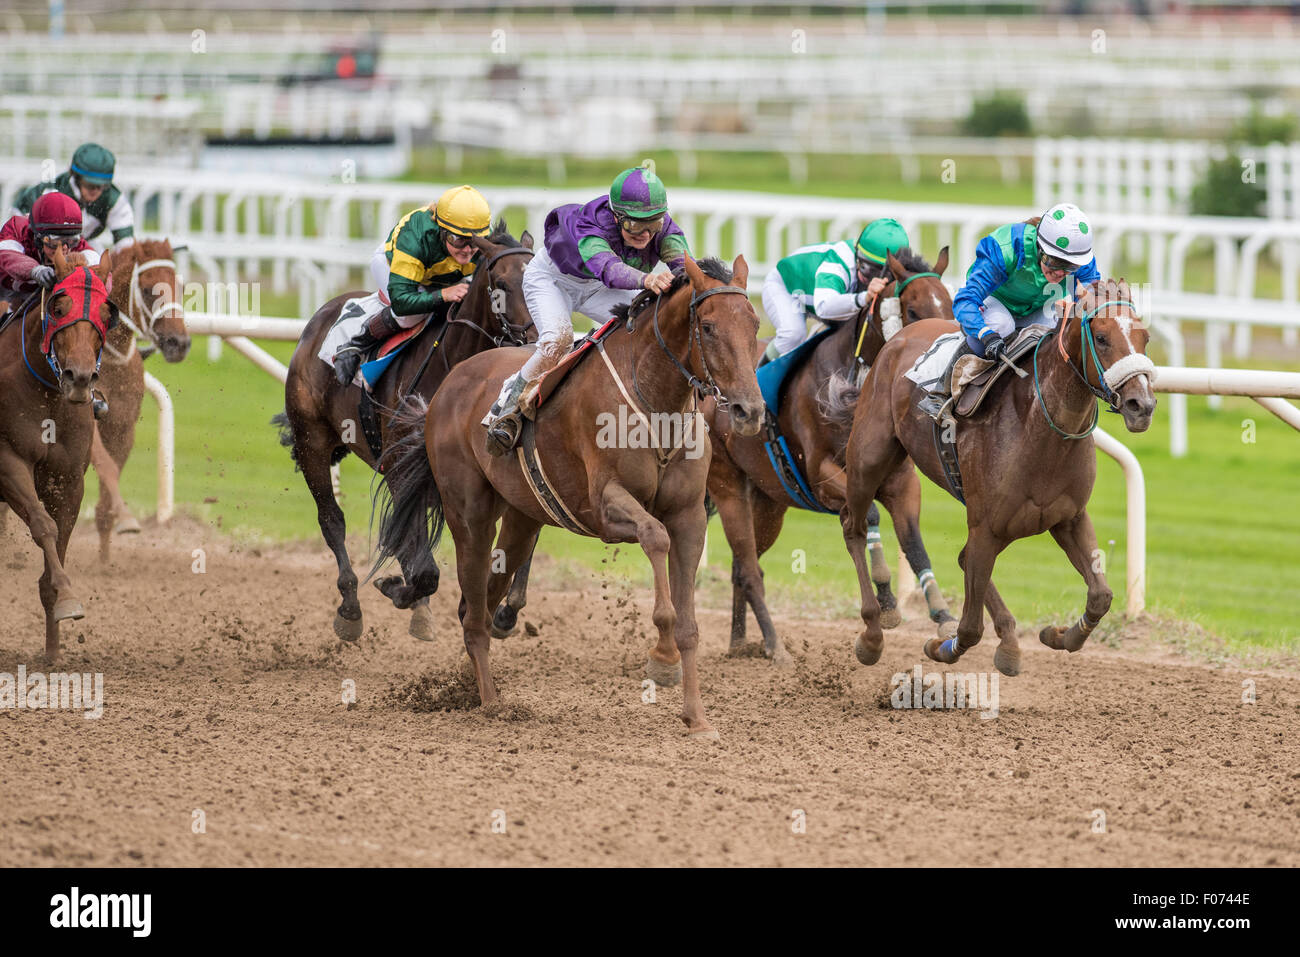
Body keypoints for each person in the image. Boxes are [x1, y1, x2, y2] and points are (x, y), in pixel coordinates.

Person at [482, 164, 691, 456]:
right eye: (634, 225)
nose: (645, 234)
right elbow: (608, 268)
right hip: (552, 279)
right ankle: (507, 402)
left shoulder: (662, 226)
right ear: (617, 217)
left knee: (647, 327)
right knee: (558, 340)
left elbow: (685, 265)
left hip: (595, 285)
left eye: (653, 224)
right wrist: (647, 279)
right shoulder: (591, 225)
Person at [918, 202, 1101, 419]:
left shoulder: (1082, 260)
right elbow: (964, 300)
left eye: (1069, 266)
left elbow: (1095, 302)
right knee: (1002, 326)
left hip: (1037, 306)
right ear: (1040, 247)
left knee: (1061, 328)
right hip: (996, 301)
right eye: (1052, 261)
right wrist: (986, 335)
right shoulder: (1006, 248)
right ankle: (940, 392)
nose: (1060, 272)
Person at [331, 185, 492, 386]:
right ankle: (355, 344)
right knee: (411, 314)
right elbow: (401, 302)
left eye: (476, 241)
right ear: (442, 231)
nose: (468, 250)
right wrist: (442, 295)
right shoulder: (416, 238)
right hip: (391, 265)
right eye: (458, 240)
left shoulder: (478, 241)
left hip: (442, 275)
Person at [761, 218, 910, 361]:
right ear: (857, 255)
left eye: (885, 274)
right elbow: (824, 307)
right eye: (868, 269)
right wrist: (862, 298)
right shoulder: (837, 265)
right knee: (793, 334)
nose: (872, 280)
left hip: (825, 296)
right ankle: (759, 373)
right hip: (786, 287)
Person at [12, 143, 135, 250]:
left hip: (81, 243)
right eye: (90, 185)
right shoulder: (50, 193)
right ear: (75, 177)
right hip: (40, 244)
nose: (96, 191)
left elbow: (126, 245)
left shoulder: (114, 200)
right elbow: (22, 236)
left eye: (102, 186)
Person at [0, 191, 101, 304]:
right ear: (37, 238)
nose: (64, 249)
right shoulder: (16, 229)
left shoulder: (79, 245)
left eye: (71, 241)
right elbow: (8, 256)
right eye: (55, 242)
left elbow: (101, 273)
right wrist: (35, 271)